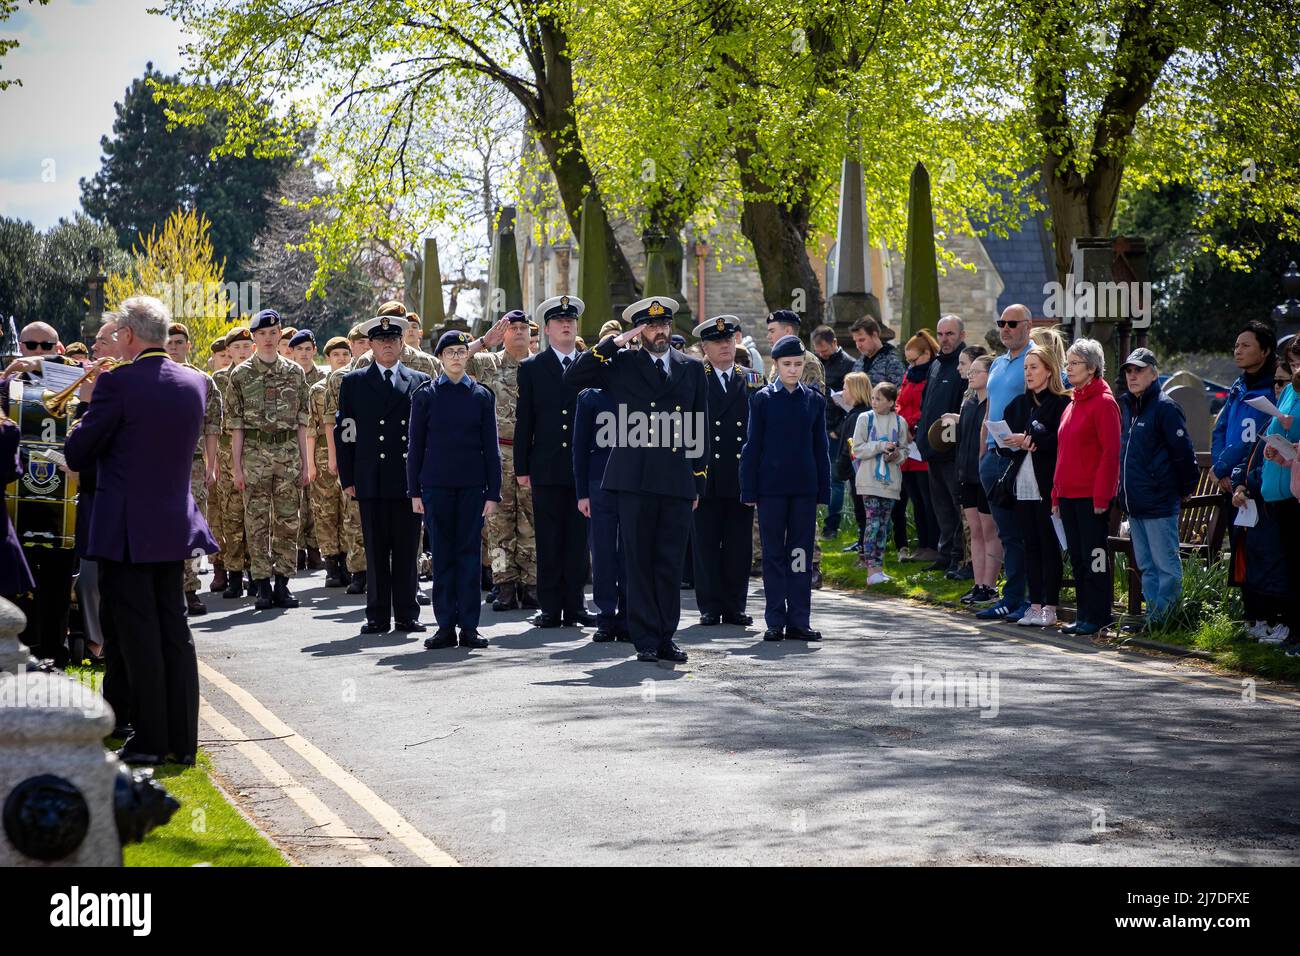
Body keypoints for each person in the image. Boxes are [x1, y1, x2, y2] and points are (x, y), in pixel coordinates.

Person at [64, 295, 216, 766]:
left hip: (127, 528)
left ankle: (150, 739)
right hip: (172, 523)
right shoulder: (195, 380)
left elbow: (78, 453)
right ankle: (180, 742)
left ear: (128, 335)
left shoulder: (118, 383)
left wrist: (84, 411)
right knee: (175, 630)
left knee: (138, 635)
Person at [565, 295, 709, 663]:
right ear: (639, 330)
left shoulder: (691, 368)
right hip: (633, 476)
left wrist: (698, 479)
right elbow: (574, 376)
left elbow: (699, 424)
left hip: (676, 477)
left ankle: (666, 636)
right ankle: (644, 638)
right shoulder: (621, 363)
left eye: (664, 325)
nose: (659, 331)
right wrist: (612, 343)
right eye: (651, 326)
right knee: (638, 560)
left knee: (670, 561)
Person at [336, 314, 431, 634]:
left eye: (393, 340)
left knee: (407, 550)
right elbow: (346, 432)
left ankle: (407, 614)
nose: (387, 345)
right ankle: (376, 615)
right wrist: (348, 478)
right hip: (371, 477)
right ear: (371, 346)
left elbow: (426, 434)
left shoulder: (418, 381)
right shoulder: (354, 382)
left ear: (402, 343)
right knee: (375, 551)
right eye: (380, 340)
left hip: (406, 478)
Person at [409, 330, 501, 649]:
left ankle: (470, 627)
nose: (457, 357)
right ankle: (445, 625)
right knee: (444, 556)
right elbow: (416, 447)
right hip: (435, 487)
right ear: (441, 358)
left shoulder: (481, 395)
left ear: (467, 356)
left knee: (469, 557)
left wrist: (493, 493)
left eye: (462, 352)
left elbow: (491, 448)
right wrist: (414, 492)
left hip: (472, 488)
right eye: (450, 352)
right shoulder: (425, 396)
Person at [742, 334, 830, 640]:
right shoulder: (762, 400)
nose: (793, 370)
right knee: (773, 554)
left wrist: (824, 490)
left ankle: (799, 620)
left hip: (804, 489)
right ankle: (775, 620)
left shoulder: (814, 401)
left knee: (800, 554)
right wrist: (749, 489)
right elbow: (753, 447)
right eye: (786, 364)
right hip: (771, 489)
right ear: (775, 365)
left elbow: (821, 449)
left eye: (797, 364)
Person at [515, 295, 594, 629]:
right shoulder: (532, 367)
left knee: (578, 540)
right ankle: (549, 607)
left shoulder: (590, 364)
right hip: (546, 465)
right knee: (548, 538)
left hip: (583, 467)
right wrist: (522, 468)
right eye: (560, 321)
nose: (566, 325)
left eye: (571, 321)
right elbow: (525, 421)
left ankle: (575, 605)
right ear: (546, 329)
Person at [229, 309, 310, 610]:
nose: (267, 338)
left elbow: (303, 424)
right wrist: (236, 467)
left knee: (289, 521)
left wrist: (305, 461)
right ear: (253, 337)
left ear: (280, 336)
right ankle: (261, 584)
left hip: (288, 452)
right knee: (257, 521)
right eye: (261, 334)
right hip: (254, 453)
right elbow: (236, 427)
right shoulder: (240, 376)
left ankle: (283, 584)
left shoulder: (295, 373)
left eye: (273, 333)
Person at [1116, 348, 1199, 633]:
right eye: (1129, 370)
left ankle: (1169, 621)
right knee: (1148, 567)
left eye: (1139, 370)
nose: (1133, 375)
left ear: (1153, 373)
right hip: (1137, 502)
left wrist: (1187, 487)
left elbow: (1183, 452)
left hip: (1159, 500)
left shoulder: (1165, 407)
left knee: (1165, 566)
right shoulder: (1131, 406)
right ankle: (1155, 619)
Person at [692, 315, 764, 627]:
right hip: (705, 475)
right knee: (705, 544)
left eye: (729, 340)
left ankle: (735, 605)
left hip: (739, 475)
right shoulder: (694, 377)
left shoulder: (751, 379)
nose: (725, 346)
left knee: (738, 546)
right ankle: (709, 605)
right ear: (704, 347)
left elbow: (760, 431)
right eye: (717, 342)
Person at [466, 310, 539, 612]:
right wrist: (483, 342)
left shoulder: (541, 365)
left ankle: (532, 584)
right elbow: (450, 361)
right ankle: (504, 584)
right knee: (498, 526)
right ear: (503, 333)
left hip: (533, 456)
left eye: (524, 327)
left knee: (531, 522)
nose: (519, 332)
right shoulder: (489, 363)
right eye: (513, 328)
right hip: (497, 454)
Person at [994, 345, 1070, 628]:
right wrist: (1007, 443)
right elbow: (1009, 444)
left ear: (1049, 370)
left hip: (1047, 484)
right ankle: (1034, 604)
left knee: (1049, 545)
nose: (1028, 373)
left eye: (1034, 367)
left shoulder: (1061, 403)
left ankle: (1050, 606)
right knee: (1031, 546)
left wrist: (1031, 441)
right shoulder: (1019, 404)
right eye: (1026, 368)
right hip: (1022, 483)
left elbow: (1060, 444)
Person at [1053, 338, 1121, 635]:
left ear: (1092, 369)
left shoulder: (1104, 403)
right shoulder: (1073, 402)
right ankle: (1084, 615)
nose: (1068, 368)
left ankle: (1099, 614)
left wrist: (1102, 495)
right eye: (1067, 363)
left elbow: (1110, 453)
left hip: (1091, 496)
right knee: (1078, 558)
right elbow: (1063, 452)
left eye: (1074, 363)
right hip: (1068, 494)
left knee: (1095, 558)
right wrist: (1056, 494)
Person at [977, 304, 1034, 621]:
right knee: (1007, 533)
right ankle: (1011, 598)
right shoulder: (998, 363)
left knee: (1024, 532)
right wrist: (982, 455)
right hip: (994, 459)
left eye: (1012, 323)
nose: (1006, 328)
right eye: (1002, 323)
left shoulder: (1035, 360)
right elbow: (989, 413)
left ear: (1027, 325)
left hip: (1022, 458)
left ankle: (1026, 599)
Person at [167, 322, 222, 616]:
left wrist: (212, 465)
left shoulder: (202, 381)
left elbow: (212, 428)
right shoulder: (157, 378)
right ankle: (169, 588)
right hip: (161, 464)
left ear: (188, 345)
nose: (174, 347)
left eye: (178, 342)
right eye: (169, 342)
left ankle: (190, 590)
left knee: (192, 525)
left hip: (195, 463)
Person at [915, 315, 969, 575]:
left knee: (956, 505)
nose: (944, 339)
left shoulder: (964, 367)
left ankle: (959, 556)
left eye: (950, 334)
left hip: (953, 451)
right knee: (941, 507)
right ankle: (945, 552)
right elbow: (927, 404)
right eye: (941, 334)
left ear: (962, 335)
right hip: (932, 450)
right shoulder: (936, 364)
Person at [574, 385, 628, 641]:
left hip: (633, 482)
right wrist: (582, 493)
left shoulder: (638, 389)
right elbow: (580, 447)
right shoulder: (590, 397)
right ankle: (606, 617)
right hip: (599, 482)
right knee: (603, 552)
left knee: (631, 553)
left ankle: (629, 616)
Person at [1254, 357, 1300, 649]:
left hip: (1292, 495)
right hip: (1288, 491)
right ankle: (1295, 633)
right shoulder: (1292, 393)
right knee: (1292, 565)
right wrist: (1279, 452)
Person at [307, 336, 354, 588]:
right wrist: (311, 464)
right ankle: (331, 564)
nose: (341, 359)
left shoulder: (354, 384)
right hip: (324, 454)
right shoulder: (317, 390)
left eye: (345, 354)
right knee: (325, 511)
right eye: (336, 355)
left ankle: (349, 560)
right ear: (328, 359)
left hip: (346, 452)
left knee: (348, 509)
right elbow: (312, 430)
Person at [954, 351, 1000, 606]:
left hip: (984, 474)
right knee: (975, 531)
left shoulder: (992, 404)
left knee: (988, 530)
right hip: (967, 474)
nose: (970, 375)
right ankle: (978, 583)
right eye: (970, 372)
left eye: (976, 372)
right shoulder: (969, 403)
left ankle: (990, 585)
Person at [851, 381, 907, 585]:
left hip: (890, 482)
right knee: (872, 522)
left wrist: (896, 456)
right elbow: (857, 448)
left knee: (884, 524)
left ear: (891, 402)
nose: (874, 402)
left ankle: (879, 568)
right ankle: (870, 569)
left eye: (879, 399)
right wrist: (880, 446)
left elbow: (904, 452)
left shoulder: (900, 422)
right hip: (869, 480)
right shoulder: (864, 419)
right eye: (873, 397)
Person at [1212, 320, 1276, 493]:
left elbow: (1257, 438)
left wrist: (1225, 468)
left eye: (1246, 345)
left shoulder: (1275, 389)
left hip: (1256, 479)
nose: (1238, 351)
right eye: (1236, 346)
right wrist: (1220, 468)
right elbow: (1220, 429)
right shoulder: (1238, 386)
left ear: (1265, 351)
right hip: (1227, 481)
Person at [213, 326, 254, 598]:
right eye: (236, 347)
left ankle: (255, 572)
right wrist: (213, 461)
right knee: (231, 516)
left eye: (245, 346)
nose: (241, 351)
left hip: (255, 453)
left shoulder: (259, 375)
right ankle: (234, 574)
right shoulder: (218, 379)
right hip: (227, 455)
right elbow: (213, 424)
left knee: (257, 516)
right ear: (227, 351)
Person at [898, 329, 941, 562]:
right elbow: (900, 402)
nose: (911, 364)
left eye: (915, 359)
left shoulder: (931, 375)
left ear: (927, 353)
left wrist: (915, 427)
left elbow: (927, 407)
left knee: (928, 499)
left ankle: (933, 544)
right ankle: (923, 544)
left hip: (921, 442)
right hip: (907, 445)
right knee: (915, 499)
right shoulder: (910, 374)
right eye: (908, 360)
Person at [811, 325, 856, 538]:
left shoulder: (849, 365)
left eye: (825, 350)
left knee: (835, 478)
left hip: (835, 431)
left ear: (835, 343)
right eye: (818, 351)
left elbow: (854, 401)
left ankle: (832, 526)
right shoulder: (816, 363)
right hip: (818, 426)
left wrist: (838, 430)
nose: (822, 354)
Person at [834, 371, 873, 555]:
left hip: (858, 472)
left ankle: (865, 544)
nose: (842, 392)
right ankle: (862, 540)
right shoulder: (858, 414)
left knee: (862, 509)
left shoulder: (858, 416)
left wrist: (840, 469)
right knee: (861, 509)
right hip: (859, 472)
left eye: (845, 388)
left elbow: (850, 448)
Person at [849, 316, 905, 387]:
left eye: (862, 340)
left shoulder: (893, 361)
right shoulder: (859, 363)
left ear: (874, 335)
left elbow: (897, 393)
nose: (858, 346)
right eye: (855, 341)